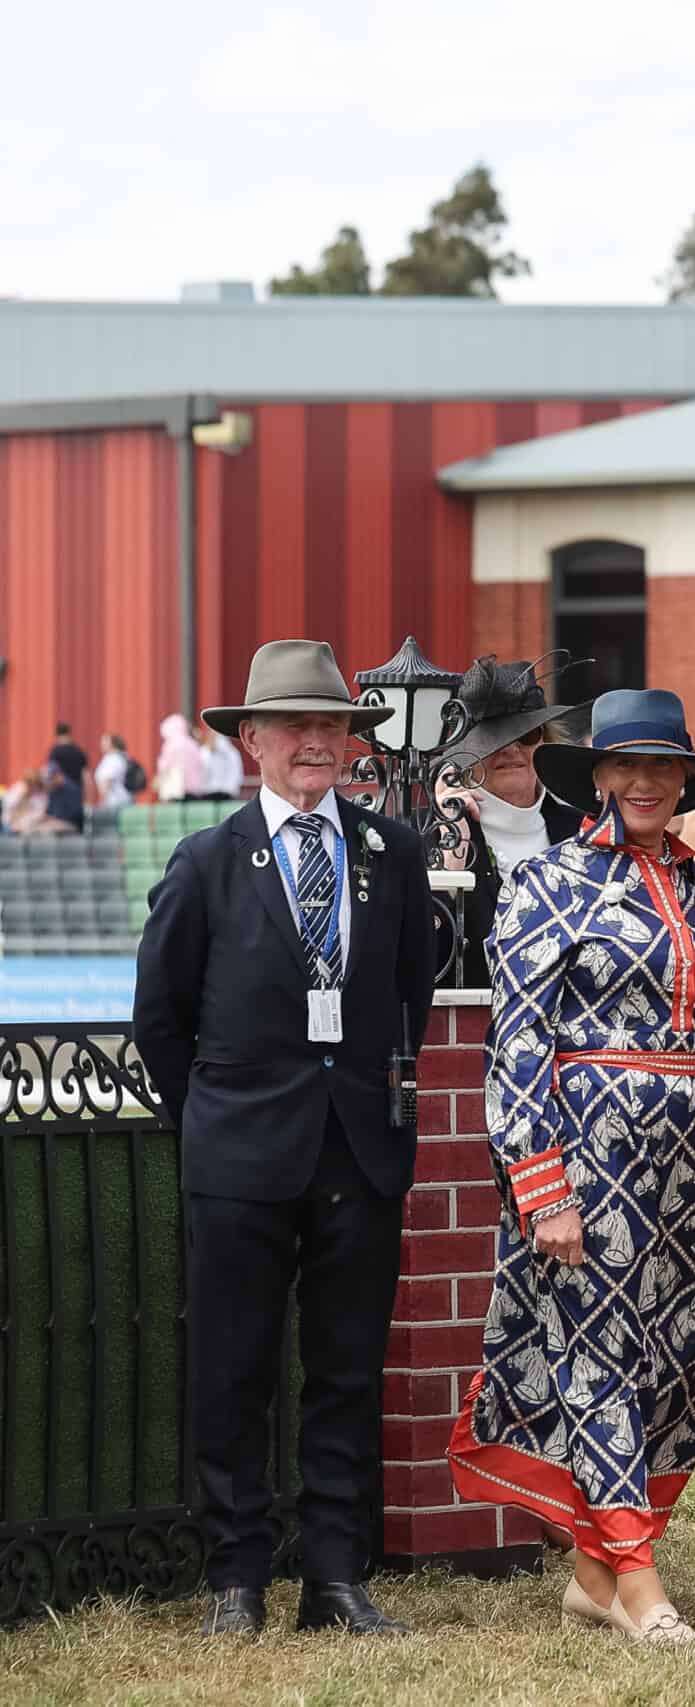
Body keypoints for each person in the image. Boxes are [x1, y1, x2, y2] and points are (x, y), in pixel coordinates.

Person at [131, 640, 433, 1637]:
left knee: (346, 1371)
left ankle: (335, 1577)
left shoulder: (391, 852)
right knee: (234, 1370)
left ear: (352, 740)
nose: (315, 741)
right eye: (294, 724)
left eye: (331, 724)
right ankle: (237, 1578)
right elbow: (160, 1018)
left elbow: (410, 996)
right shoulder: (207, 861)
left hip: (358, 1152)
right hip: (239, 1156)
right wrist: (217, 1114)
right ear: (251, 739)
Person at [447, 688, 695, 1644]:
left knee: (689, 1357)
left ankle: (593, 1572)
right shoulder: (549, 880)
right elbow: (516, 1042)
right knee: (602, 1353)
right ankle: (640, 1578)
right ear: (599, 777)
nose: (647, 781)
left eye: (664, 765)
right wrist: (541, 1186)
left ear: (684, 778)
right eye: (628, 764)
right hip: (593, 1157)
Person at [437, 654, 590, 986]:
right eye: (493, 740)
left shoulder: (584, 830)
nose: (511, 750)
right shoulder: (430, 833)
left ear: (546, 742)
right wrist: (452, 849)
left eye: (527, 736)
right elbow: (425, 960)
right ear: (466, 753)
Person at [44, 722, 88, 831]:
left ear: (57, 735)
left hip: (61, 800)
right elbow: (87, 777)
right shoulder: (79, 751)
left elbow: (52, 776)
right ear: (69, 733)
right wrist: (87, 800)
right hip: (77, 796)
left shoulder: (55, 752)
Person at [153, 712, 204, 803]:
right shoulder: (192, 743)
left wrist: (159, 779)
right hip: (194, 790)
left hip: (175, 790)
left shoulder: (171, 744)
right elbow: (200, 763)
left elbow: (165, 766)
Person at [197, 716, 246, 802]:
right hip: (207, 794)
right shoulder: (204, 752)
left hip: (226, 794)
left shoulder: (231, 753)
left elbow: (236, 774)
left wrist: (230, 790)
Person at [94, 731, 135, 810]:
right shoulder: (123, 756)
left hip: (114, 801)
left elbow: (107, 780)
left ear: (112, 743)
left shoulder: (113, 759)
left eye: (104, 741)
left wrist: (103, 800)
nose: (101, 744)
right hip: (126, 798)